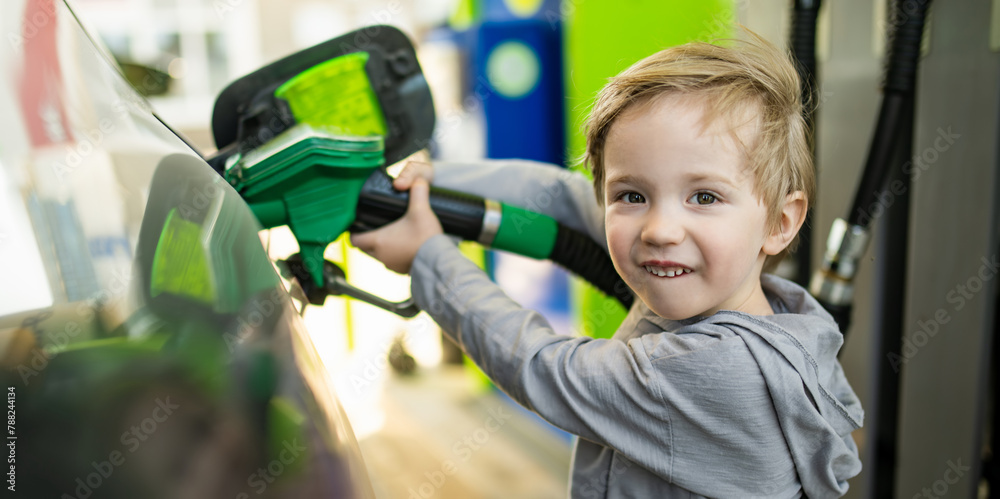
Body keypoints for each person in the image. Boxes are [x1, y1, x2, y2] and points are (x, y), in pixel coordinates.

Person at [351, 31, 863, 498]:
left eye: (704, 197)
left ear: (779, 221)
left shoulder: (717, 372)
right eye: (632, 194)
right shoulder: (781, 312)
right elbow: (563, 194)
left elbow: (537, 364)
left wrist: (427, 255)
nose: (660, 229)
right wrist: (431, 177)